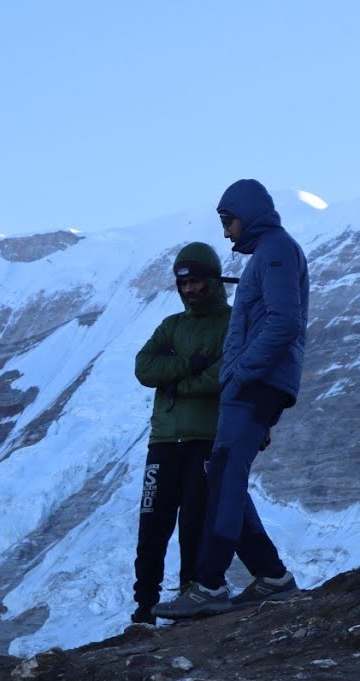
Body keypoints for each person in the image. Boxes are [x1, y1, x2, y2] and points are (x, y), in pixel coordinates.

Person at [153, 179, 308, 619]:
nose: (226, 233)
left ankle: (209, 586)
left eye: (229, 221)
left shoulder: (276, 251)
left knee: (223, 476)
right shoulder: (268, 253)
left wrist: (239, 373)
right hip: (253, 385)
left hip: (256, 385)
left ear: (249, 214)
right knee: (223, 475)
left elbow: (284, 323)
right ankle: (271, 576)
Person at [130, 241, 232, 624]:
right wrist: (190, 364)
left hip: (205, 438)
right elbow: (144, 368)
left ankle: (192, 600)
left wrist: (177, 381)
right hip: (163, 441)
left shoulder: (232, 323)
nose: (189, 290)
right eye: (183, 283)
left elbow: (225, 374)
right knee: (152, 525)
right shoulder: (172, 325)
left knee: (194, 524)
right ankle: (144, 608)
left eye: (196, 281)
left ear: (213, 279)